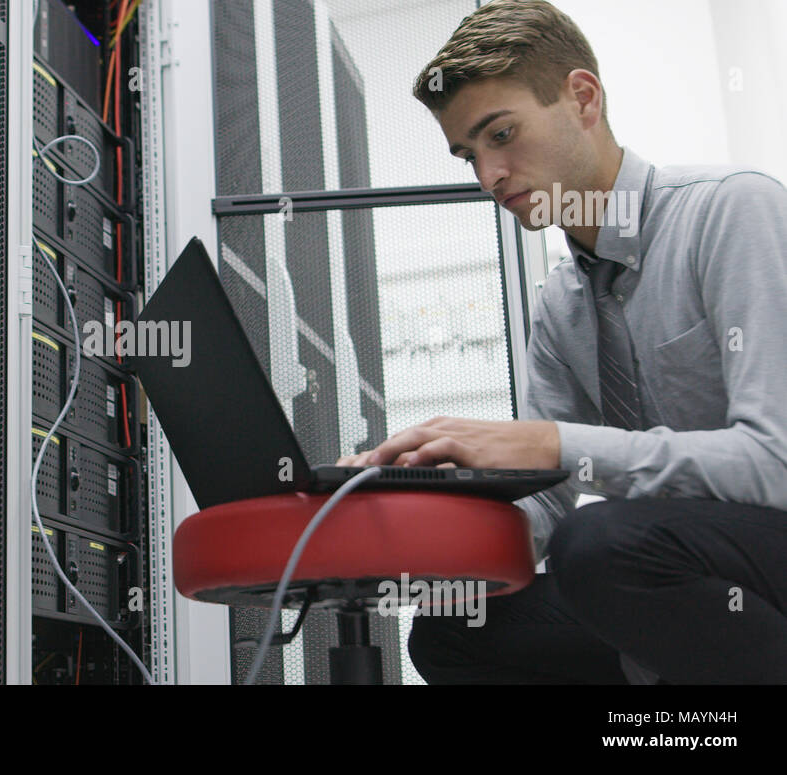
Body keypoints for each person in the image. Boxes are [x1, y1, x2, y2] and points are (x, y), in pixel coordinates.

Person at [337, 0, 787, 683]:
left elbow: (773, 461)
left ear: (582, 98)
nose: (489, 176)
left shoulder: (731, 211)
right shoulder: (561, 307)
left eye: (502, 133)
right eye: (469, 154)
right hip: (677, 581)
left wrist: (550, 443)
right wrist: (417, 507)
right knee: (452, 630)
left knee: (603, 544)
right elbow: (545, 503)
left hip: (763, 555)